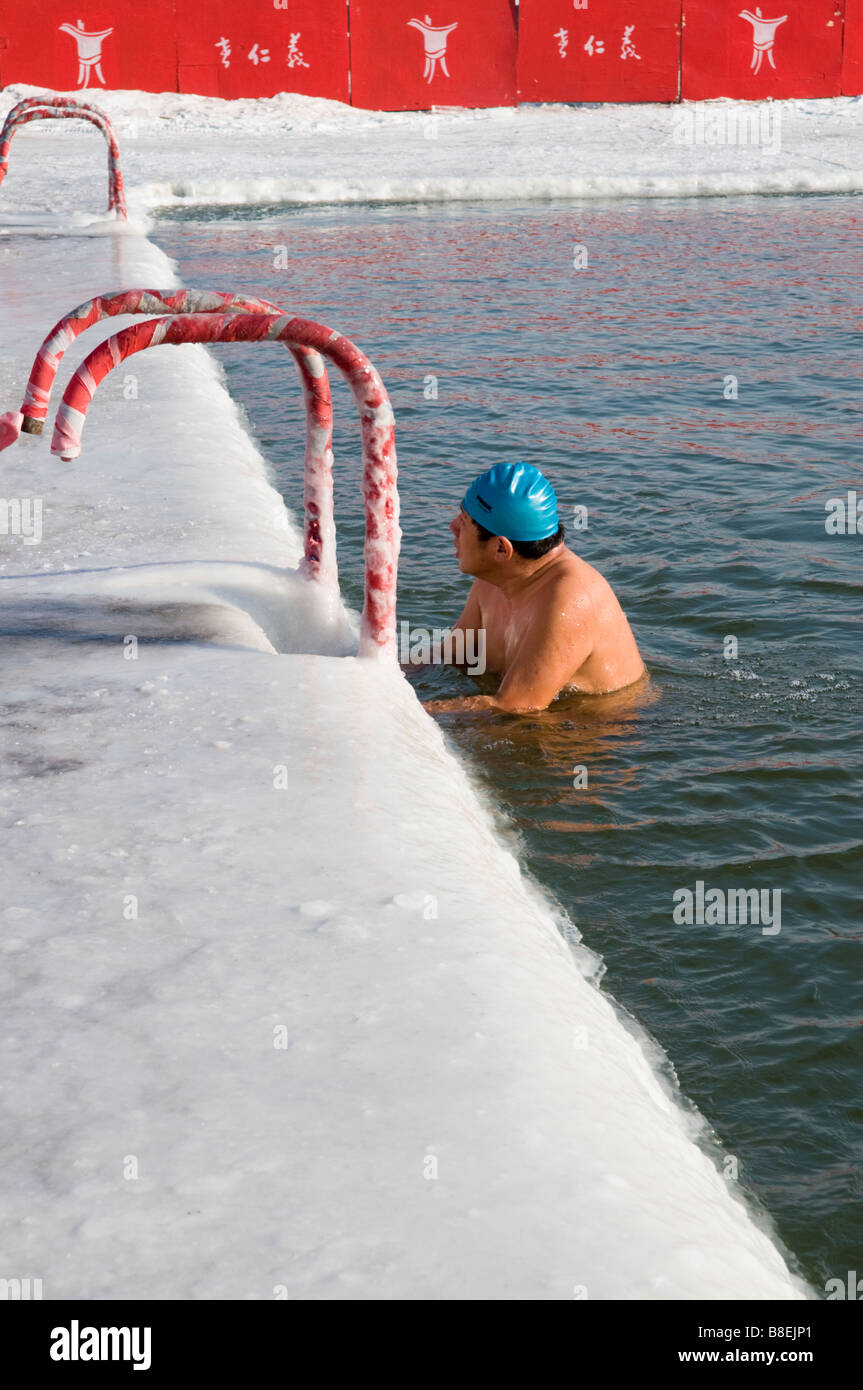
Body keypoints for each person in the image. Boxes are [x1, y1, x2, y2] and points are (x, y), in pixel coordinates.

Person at [426, 462, 645, 714]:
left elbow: (515, 707)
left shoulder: (571, 597)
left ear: (501, 548)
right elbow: (451, 657)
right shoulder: (493, 579)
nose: (452, 527)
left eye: (464, 521)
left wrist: (399, 714)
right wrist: (380, 676)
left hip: (602, 733)